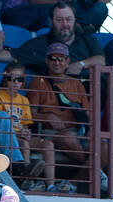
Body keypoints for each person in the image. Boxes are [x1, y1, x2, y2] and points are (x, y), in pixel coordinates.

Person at [26, 42, 90, 190]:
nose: (57, 62)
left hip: (78, 134)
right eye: (53, 58)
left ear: (68, 61)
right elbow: (29, 114)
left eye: (61, 59)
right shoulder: (37, 82)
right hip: (50, 134)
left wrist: (91, 131)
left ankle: (74, 182)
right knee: (65, 137)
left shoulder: (77, 84)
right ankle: (95, 169)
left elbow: (87, 115)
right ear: (47, 60)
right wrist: (47, 116)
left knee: (104, 145)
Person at [0, 62, 54, 188]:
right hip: (6, 137)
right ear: (5, 79)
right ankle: (27, 181)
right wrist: (19, 133)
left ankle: (51, 186)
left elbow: (26, 124)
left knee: (48, 145)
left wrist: (26, 132)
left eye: (19, 79)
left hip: (20, 134)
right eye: (12, 79)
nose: (16, 83)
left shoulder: (24, 100)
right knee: (24, 143)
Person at [13, 2, 101, 76]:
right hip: (64, 91)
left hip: (95, 88)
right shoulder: (40, 43)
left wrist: (81, 64)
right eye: (59, 20)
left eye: (69, 19)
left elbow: (101, 60)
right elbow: (12, 55)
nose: (65, 24)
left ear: (75, 20)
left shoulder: (86, 38)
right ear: (51, 22)